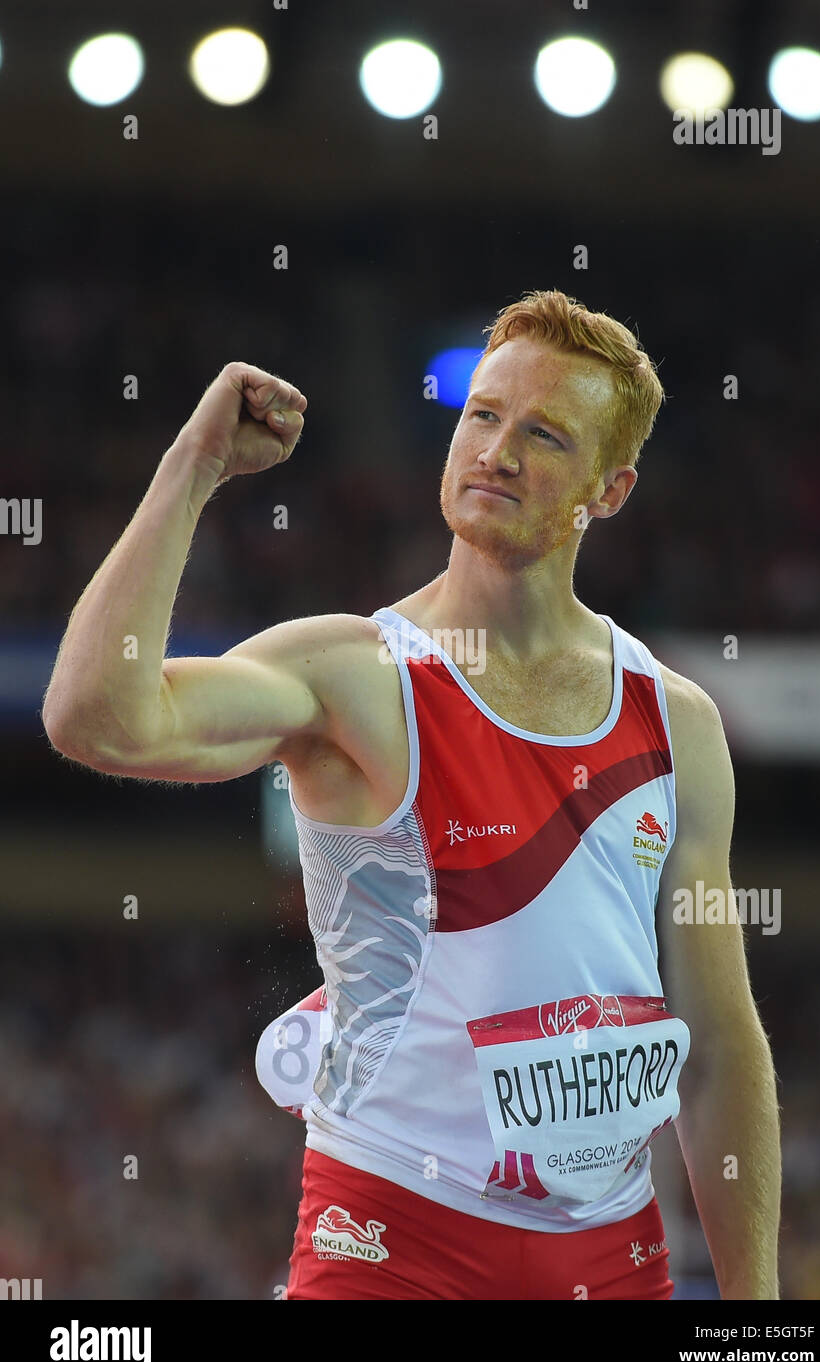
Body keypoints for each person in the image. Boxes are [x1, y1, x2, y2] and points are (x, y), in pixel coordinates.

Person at [42, 289, 781, 1301]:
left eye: (544, 435)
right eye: (482, 415)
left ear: (610, 491)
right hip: (389, 1247)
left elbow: (721, 1045)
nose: (498, 451)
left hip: (612, 1261)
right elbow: (96, 716)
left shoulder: (675, 724)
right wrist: (192, 471)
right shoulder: (356, 675)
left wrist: (755, 1315)